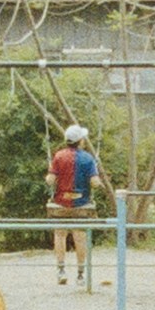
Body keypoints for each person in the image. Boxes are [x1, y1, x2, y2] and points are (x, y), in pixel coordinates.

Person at [46, 122, 105, 289]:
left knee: (60, 234)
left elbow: (50, 180)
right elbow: (94, 183)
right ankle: (80, 274)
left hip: (60, 203)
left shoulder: (58, 156)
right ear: (80, 141)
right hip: (81, 204)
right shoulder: (88, 158)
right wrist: (98, 180)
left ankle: (61, 271)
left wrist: (52, 175)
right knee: (80, 237)